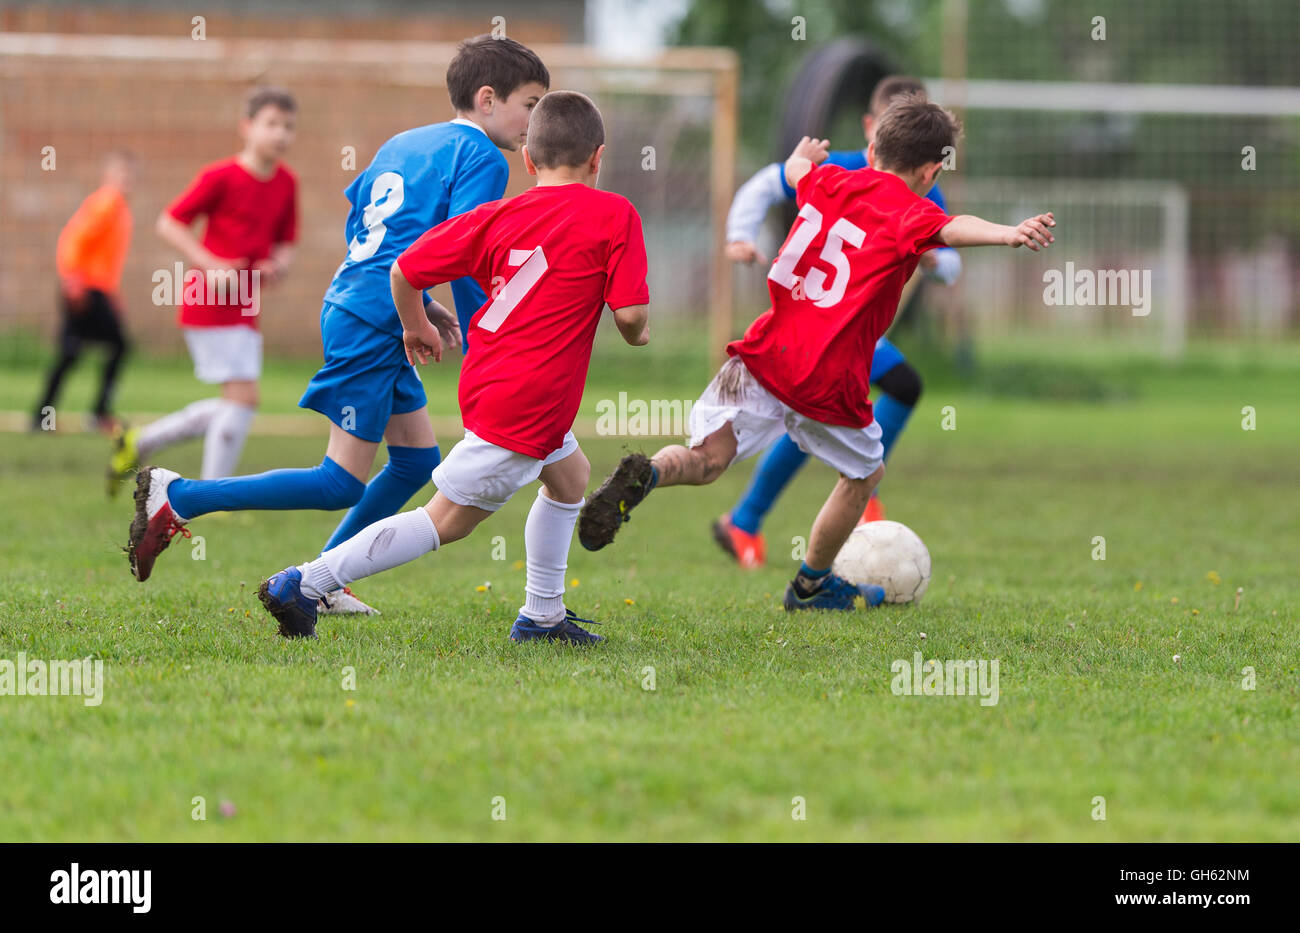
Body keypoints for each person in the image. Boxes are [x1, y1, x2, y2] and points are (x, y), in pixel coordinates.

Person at [123, 37, 550, 621]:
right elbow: (469, 253)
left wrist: (417, 305)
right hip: (375, 319)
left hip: (366, 305)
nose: (536, 120)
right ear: (487, 99)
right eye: (530, 103)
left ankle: (320, 579)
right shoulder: (483, 159)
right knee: (338, 483)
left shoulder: (405, 141)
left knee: (414, 464)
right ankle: (181, 496)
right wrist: (485, 345)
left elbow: (365, 221)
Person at [579, 95, 1055, 612]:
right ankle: (811, 585)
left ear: (872, 149)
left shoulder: (827, 181)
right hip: (826, 376)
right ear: (931, 170)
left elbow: (797, 170)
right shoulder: (912, 211)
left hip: (762, 353)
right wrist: (1008, 233)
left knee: (707, 459)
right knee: (864, 475)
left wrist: (800, 156)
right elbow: (950, 227)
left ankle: (648, 473)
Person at [255, 90, 649, 644]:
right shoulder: (615, 213)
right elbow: (631, 318)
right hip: (529, 395)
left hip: (495, 381)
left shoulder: (495, 215)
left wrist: (415, 324)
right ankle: (305, 581)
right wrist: (640, 330)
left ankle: (543, 616)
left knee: (570, 478)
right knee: (448, 521)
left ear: (529, 161)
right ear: (598, 158)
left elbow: (405, 269)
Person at [715, 76, 961, 567]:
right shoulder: (844, 166)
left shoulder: (922, 191)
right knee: (865, 398)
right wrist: (740, 235)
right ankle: (839, 498)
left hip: (852, 334)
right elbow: (767, 182)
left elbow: (952, 260)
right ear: (873, 127)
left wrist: (934, 261)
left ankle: (747, 519)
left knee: (835, 409)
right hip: (818, 326)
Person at [109, 87, 298, 493]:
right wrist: (210, 263)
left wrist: (278, 264)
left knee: (238, 400)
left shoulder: (286, 183)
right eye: (271, 124)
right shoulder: (221, 176)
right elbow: (169, 222)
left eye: (288, 126)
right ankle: (211, 492)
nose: (280, 134)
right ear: (246, 128)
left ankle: (140, 441)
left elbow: (286, 242)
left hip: (246, 302)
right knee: (243, 398)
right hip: (208, 301)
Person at [35, 150, 137, 437]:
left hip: (97, 288)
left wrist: (113, 294)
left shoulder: (117, 207)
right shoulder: (107, 203)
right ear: (108, 176)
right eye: (120, 175)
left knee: (73, 352)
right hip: (85, 288)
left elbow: (103, 257)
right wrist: (72, 279)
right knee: (114, 347)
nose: (125, 181)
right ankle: (96, 413)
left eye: (129, 176)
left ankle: (43, 415)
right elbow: (73, 240)